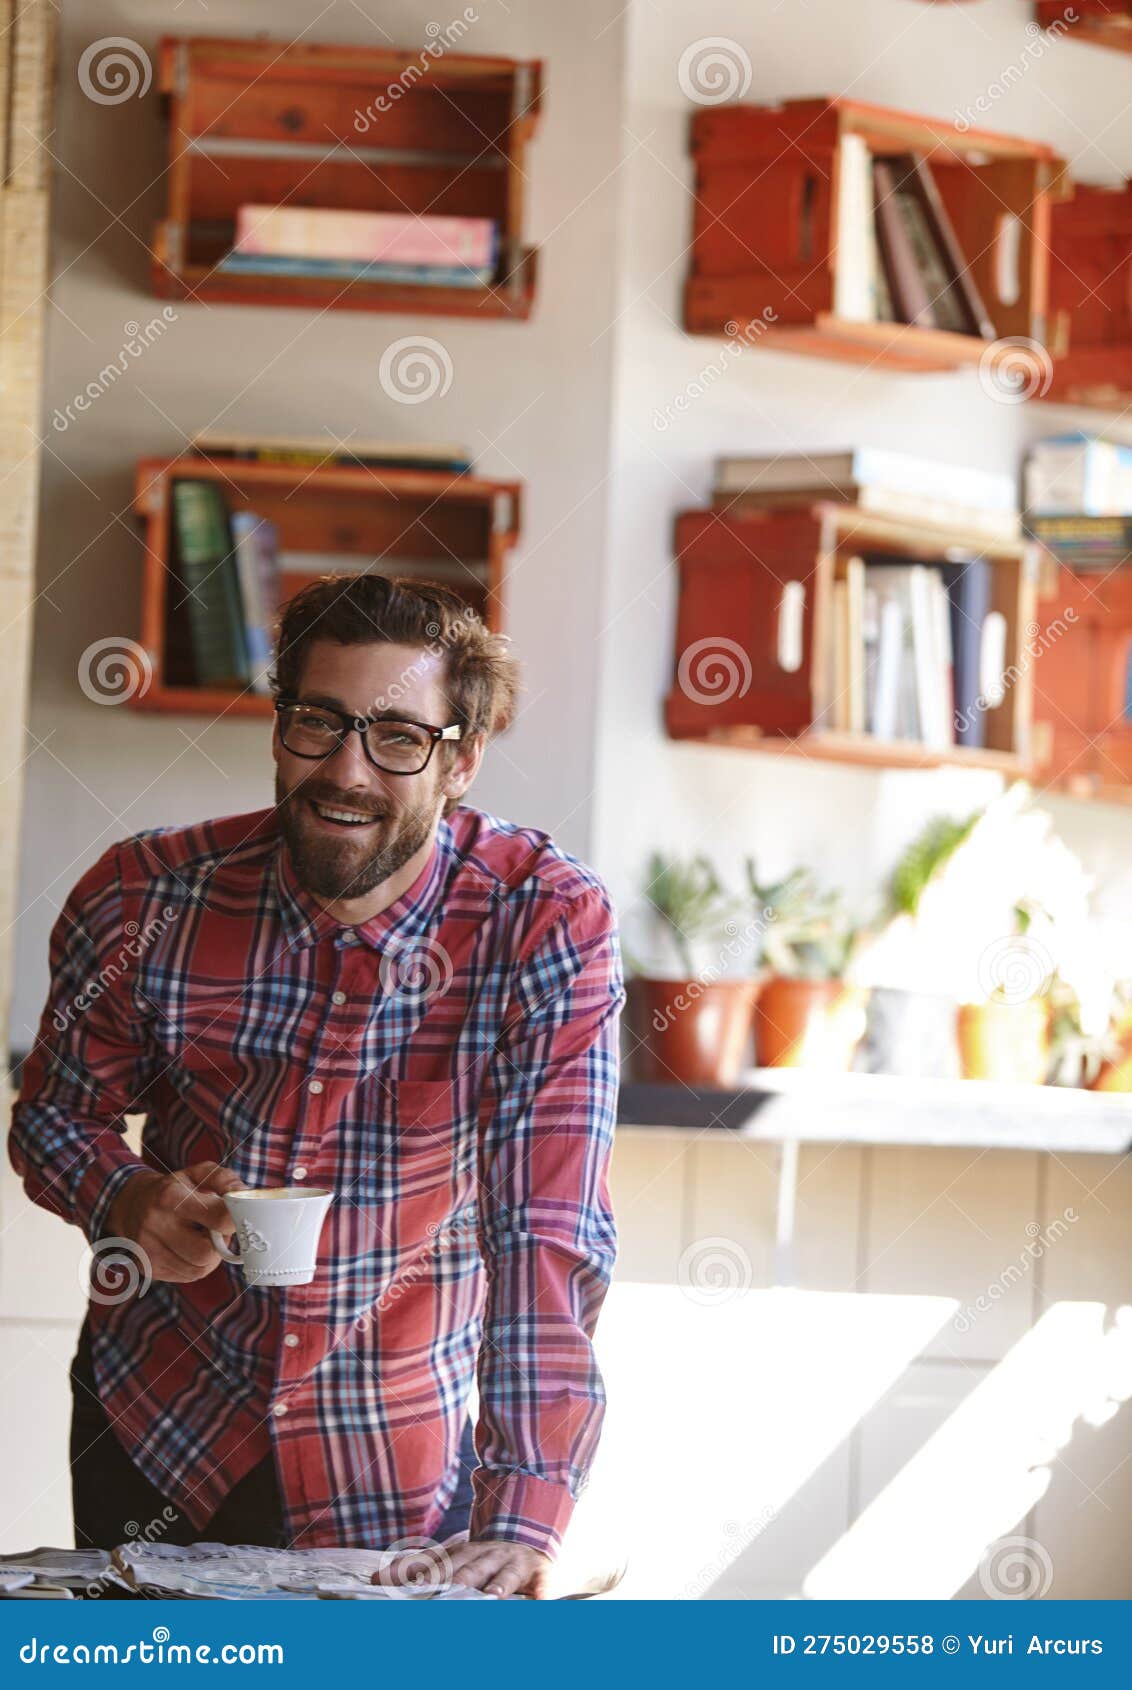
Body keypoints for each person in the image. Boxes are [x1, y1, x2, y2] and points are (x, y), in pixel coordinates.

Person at [9, 574, 623, 1599]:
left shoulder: (542, 924)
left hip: (393, 1454)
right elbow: (54, 1119)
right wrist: (127, 1197)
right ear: (278, 726)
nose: (346, 769)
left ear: (462, 758)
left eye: (397, 736)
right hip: (159, 1422)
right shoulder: (142, 897)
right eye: (318, 723)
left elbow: (545, 1227)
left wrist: (522, 1513)